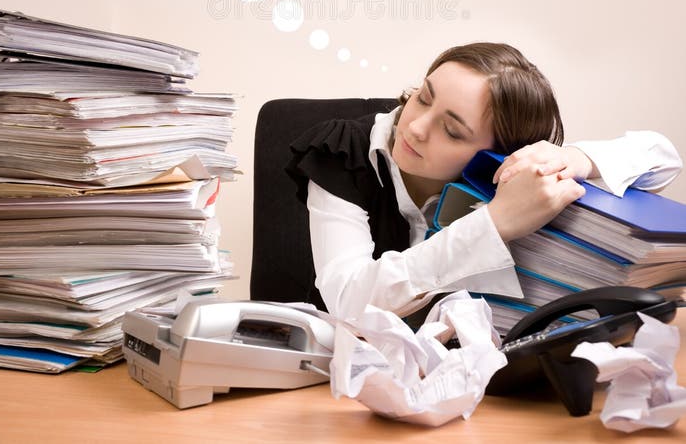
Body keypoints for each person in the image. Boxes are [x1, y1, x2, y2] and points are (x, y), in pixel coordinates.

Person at [286, 43, 682, 320]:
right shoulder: (345, 152)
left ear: (498, 153)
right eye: (424, 98)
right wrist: (493, 223)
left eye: (452, 131)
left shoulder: (506, 172)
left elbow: (663, 157)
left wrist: (575, 158)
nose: (417, 127)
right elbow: (348, 299)